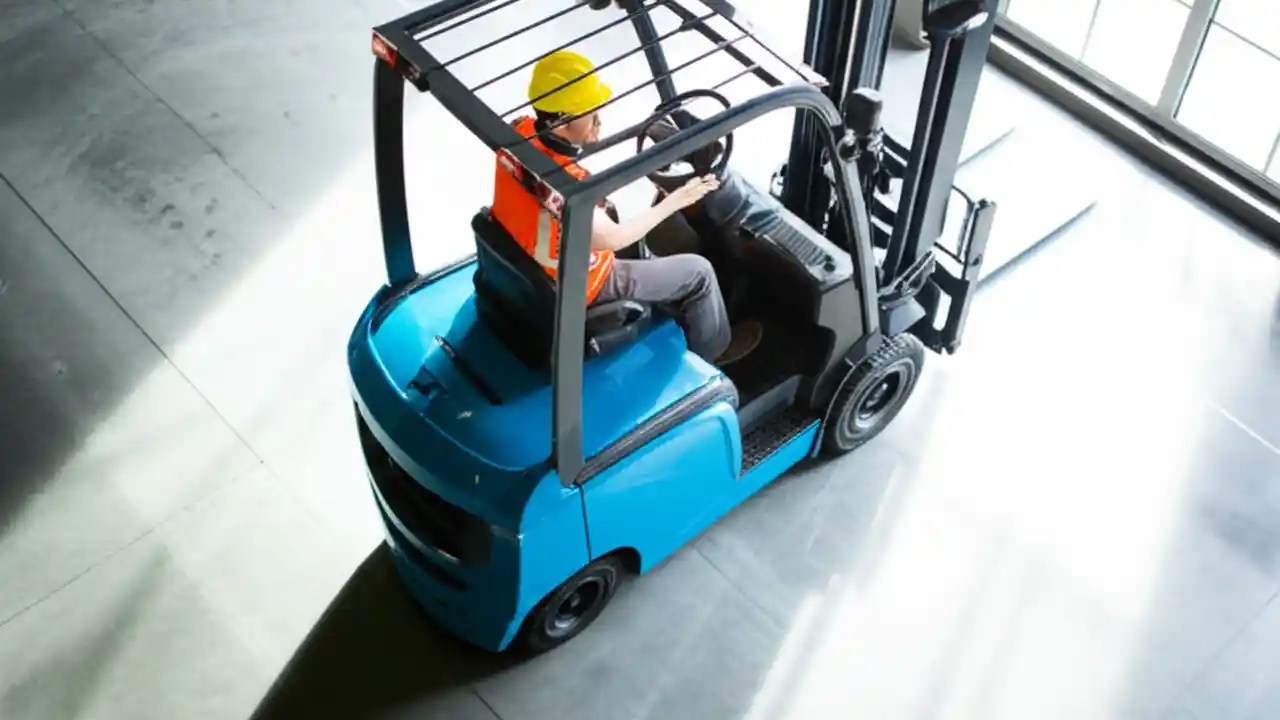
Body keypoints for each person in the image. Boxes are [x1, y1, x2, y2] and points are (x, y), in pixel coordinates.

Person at [491, 49, 755, 365]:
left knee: (638, 238)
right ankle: (714, 352)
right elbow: (616, 238)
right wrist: (679, 198)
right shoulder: (568, 191)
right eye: (591, 116)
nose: (599, 123)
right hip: (586, 282)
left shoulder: (517, 133)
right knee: (699, 272)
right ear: (561, 123)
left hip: (533, 254)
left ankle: (673, 313)